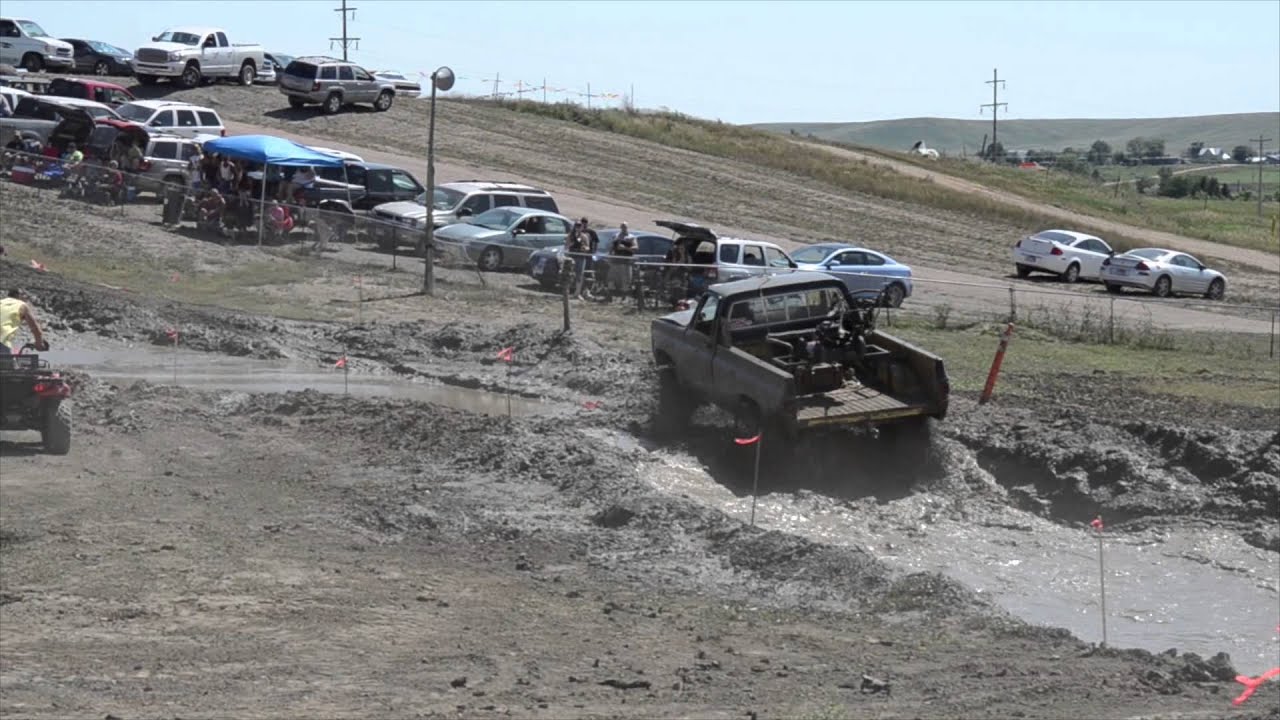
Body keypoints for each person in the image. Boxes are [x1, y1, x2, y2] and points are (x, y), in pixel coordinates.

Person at [0, 288, 48, 355]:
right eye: (23, 295)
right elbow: (36, 329)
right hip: (2, 342)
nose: (25, 297)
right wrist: (39, 344)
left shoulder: (1, 302)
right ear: (18, 295)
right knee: (6, 364)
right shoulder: (22, 305)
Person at [608, 221, 637, 299]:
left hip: (626, 262)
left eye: (625, 227)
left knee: (626, 280)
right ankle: (610, 296)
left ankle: (624, 297)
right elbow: (611, 248)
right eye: (622, 227)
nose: (624, 228)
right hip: (616, 261)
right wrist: (610, 257)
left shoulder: (631, 237)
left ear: (627, 228)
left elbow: (635, 248)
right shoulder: (616, 236)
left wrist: (625, 248)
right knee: (612, 278)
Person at [564, 219, 592, 300]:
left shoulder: (584, 236)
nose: (578, 228)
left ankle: (577, 293)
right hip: (572, 256)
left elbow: (588, 247)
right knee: (570, 274)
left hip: (580, 257)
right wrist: (572, 243)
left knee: (579, 275)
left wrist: (585, 248)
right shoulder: (570, 235)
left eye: (579, 226)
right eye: (576, 226)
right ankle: (567, 292)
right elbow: (566, 245)